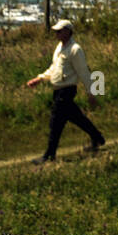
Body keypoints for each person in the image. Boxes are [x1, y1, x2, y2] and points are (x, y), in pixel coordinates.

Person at [25, 18, 105, 163]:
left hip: (67, 90)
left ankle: (49, 155)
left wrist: (91, 92)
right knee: (76, 118)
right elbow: (54, 68)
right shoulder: (59, 47)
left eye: (59, 31)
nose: (56, 33)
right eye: (56, 31)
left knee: (55, 122)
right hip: (58, 91)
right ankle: (97, 137)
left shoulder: (75, 50)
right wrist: (40, 78)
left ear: (68, 32)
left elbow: (84, 72)